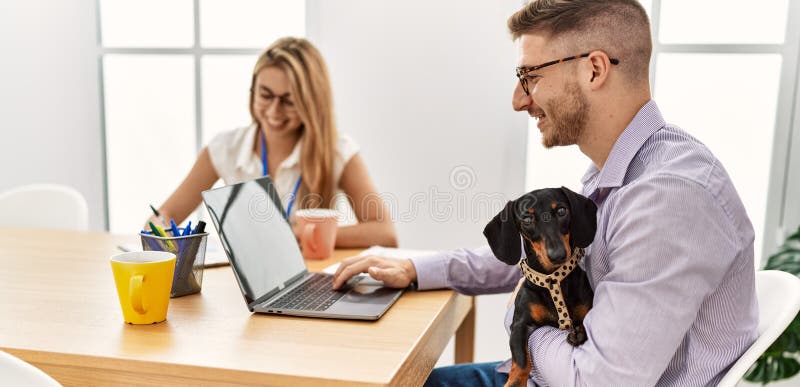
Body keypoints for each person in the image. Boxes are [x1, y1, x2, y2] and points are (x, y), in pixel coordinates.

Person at [332, 0, 757, 386]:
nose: (520, 100)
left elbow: (599, 382)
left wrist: (523, 324)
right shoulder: (629, 171)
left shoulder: (667, 198)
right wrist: (416, 267)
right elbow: (545, 257)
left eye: (530, 76)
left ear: (593, 69)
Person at [148, 37, 397, 248]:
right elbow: (164, 216)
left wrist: (303, 234)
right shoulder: (225, 148)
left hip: (310, 280)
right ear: (252, 91)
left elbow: (385, 233)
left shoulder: (337, 150)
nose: (275, 111)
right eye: (266, 95)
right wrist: (157, 229)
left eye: (289, 101)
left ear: (313, 102)